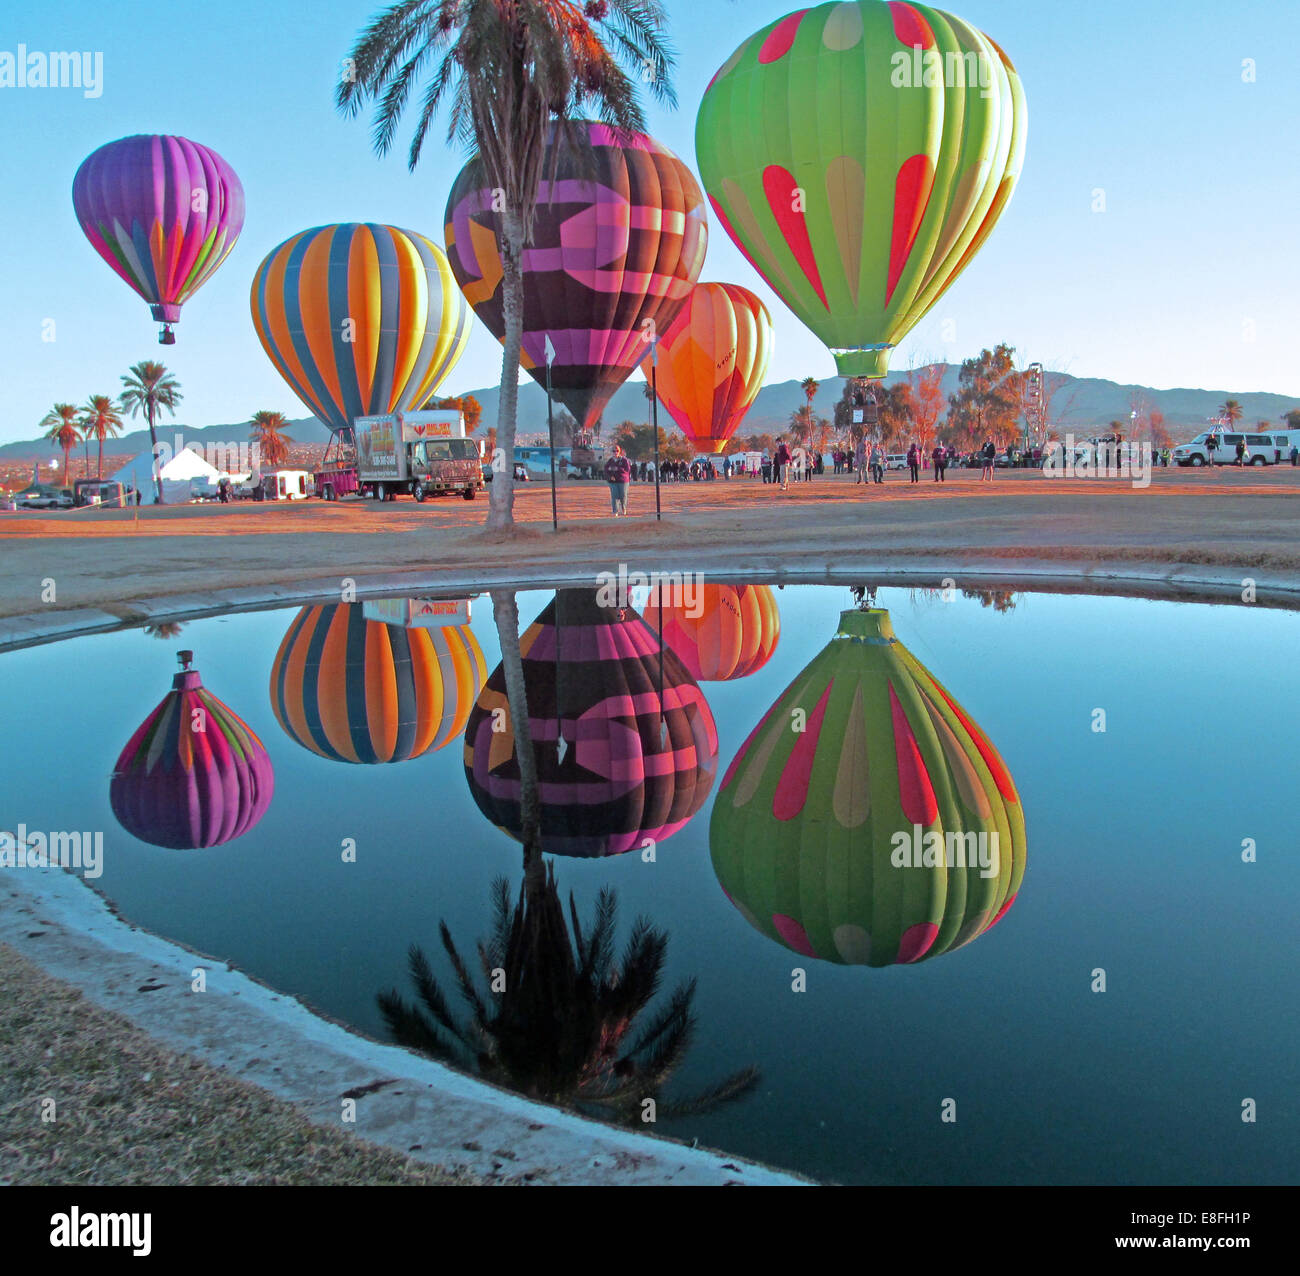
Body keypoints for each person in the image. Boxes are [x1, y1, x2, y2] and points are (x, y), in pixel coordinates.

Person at [604, 445, 631, 515]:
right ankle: (615, 511)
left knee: (623, 496)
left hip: (623, 481)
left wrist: (618, 469)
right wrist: (610, 474)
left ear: (619, 452)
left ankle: (623, 508)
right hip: (613, 481)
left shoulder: (624, 460)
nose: (615, 452)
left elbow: (627, 470)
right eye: (613, 451)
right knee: (614, 496)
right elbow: (606, 469)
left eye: (617, 451)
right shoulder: (610, 460)